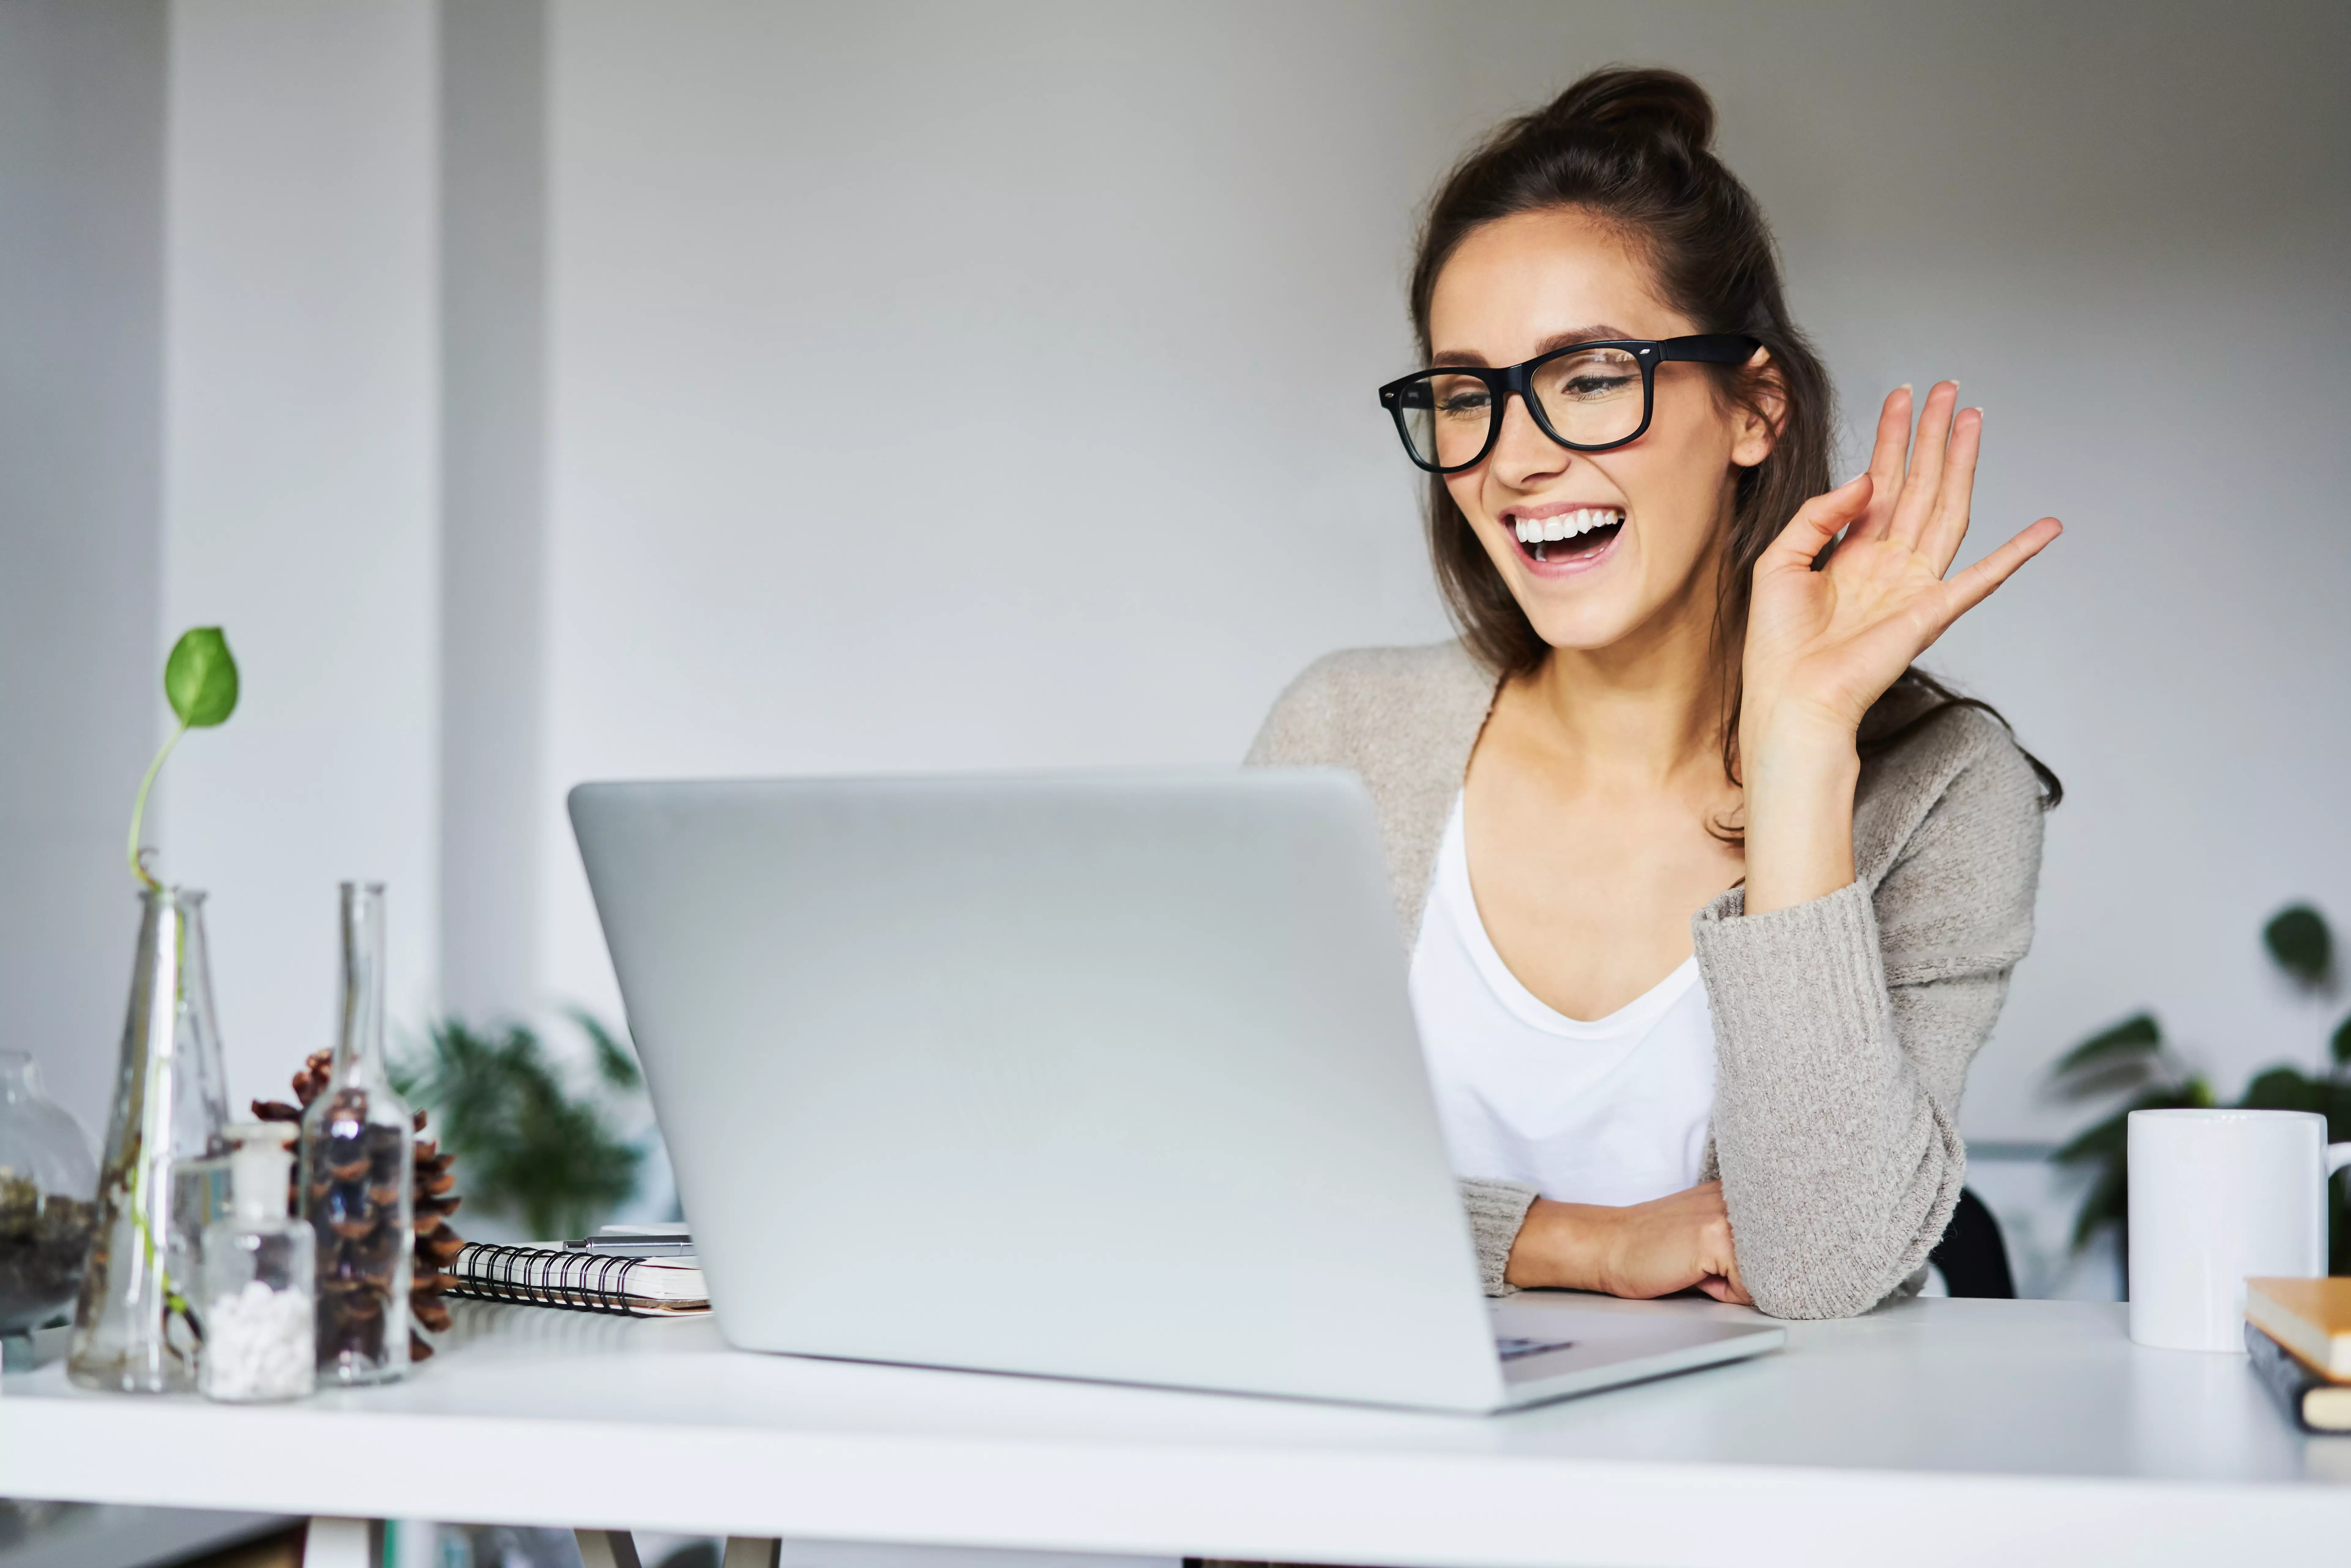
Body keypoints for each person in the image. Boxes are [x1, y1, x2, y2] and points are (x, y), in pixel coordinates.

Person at [1247, 66, 2062, 1321]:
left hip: (1739, 1507)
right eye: (1465, 394)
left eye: (1587, 377)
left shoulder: (1946, 788)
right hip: (1369, 1504)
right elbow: (1237, 1178)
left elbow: (1823, 1263)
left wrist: (1798, 755)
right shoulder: (1342, 736)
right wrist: (1572, 1241)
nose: (1515, 458)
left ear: (1752, 406)